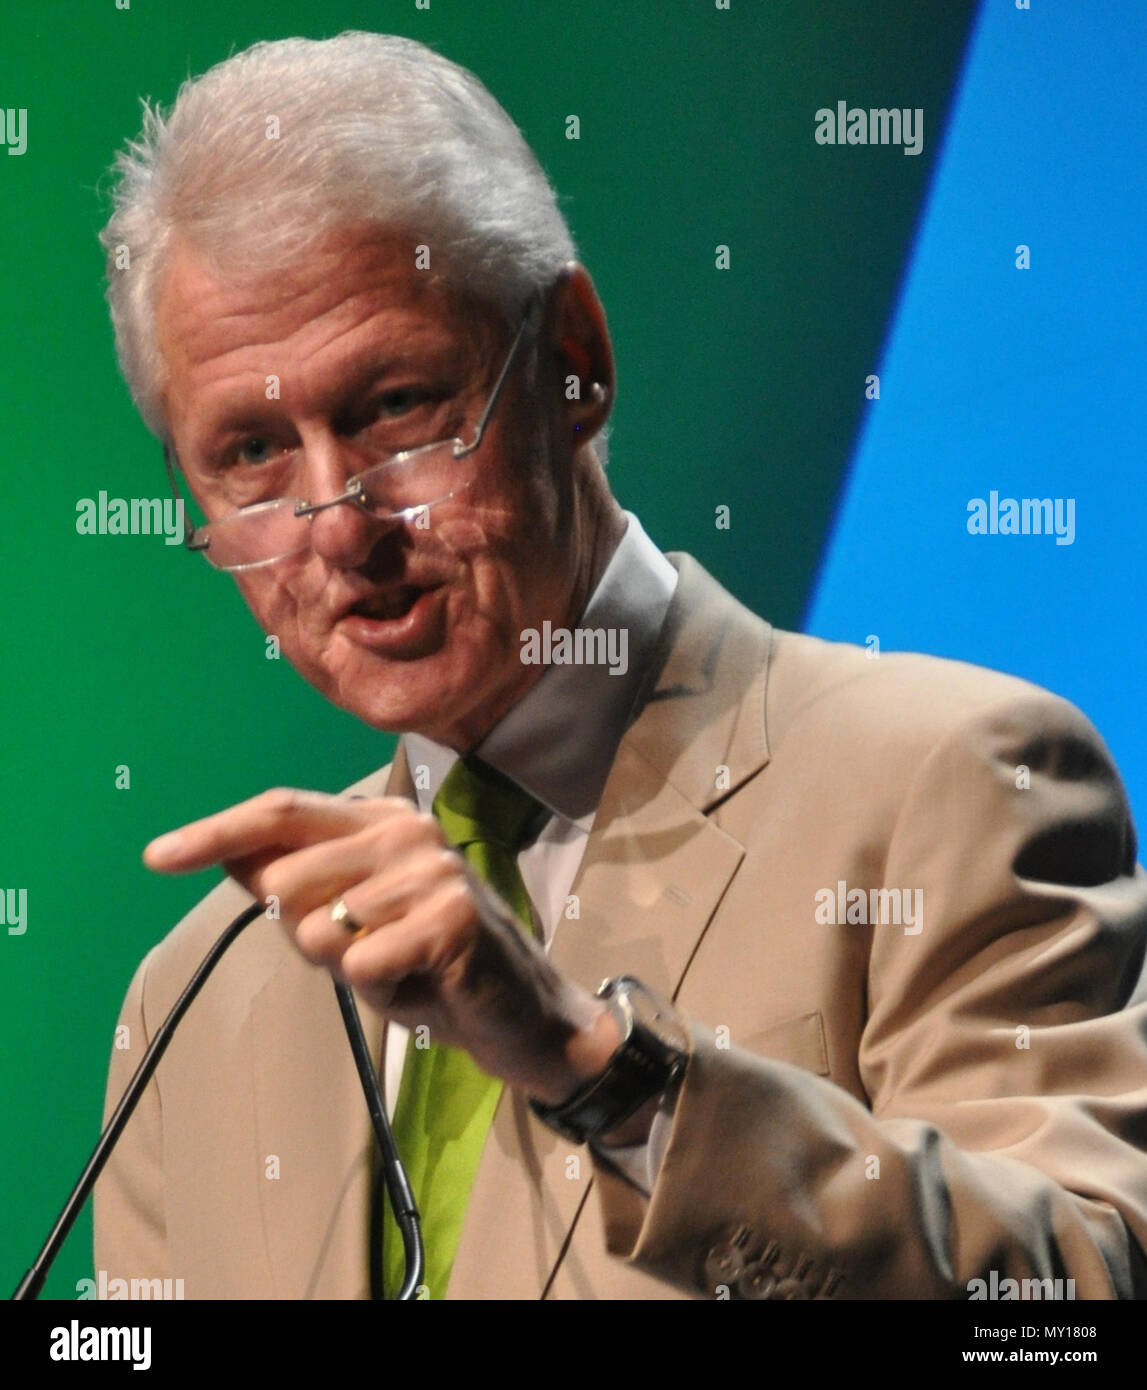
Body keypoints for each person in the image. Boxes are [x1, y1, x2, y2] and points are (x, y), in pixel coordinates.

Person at [93, 31, 1147, 1301]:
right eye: (252, 453)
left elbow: (1072, 1300)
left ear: (573, 359)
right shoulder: (200, 997)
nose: (342, 529)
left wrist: (600, 1066)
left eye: (393, 407)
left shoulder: (953, 782)